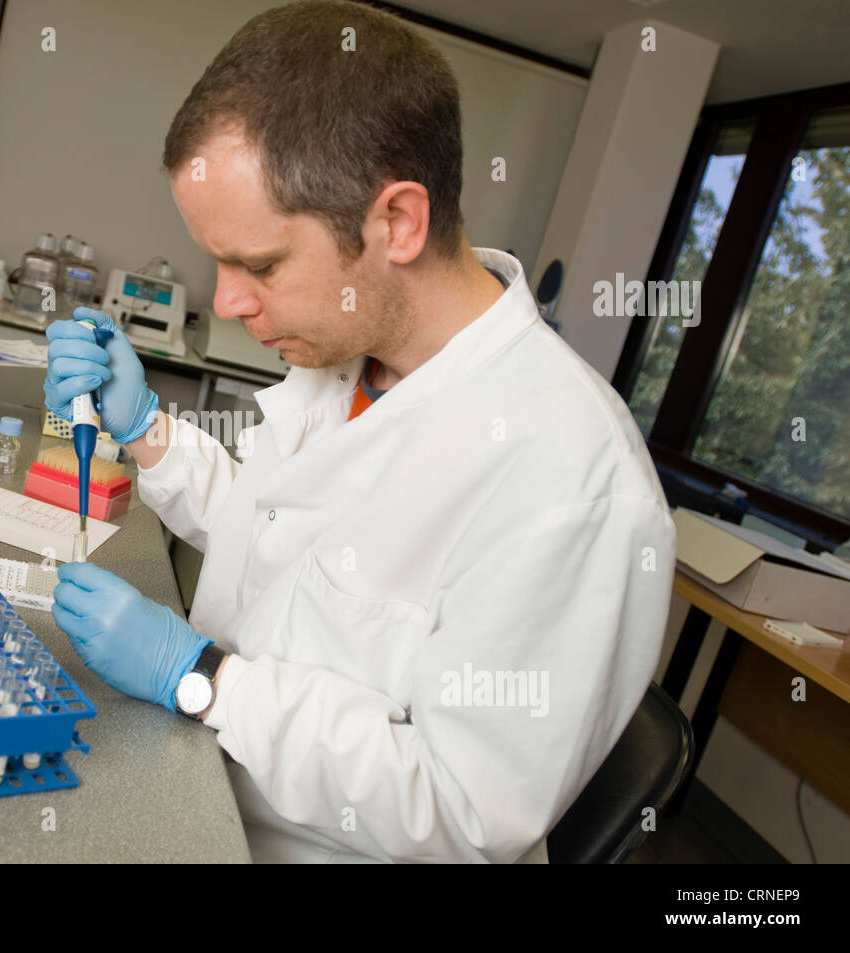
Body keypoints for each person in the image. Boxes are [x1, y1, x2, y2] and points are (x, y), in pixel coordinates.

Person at [44, 0, 675, 863]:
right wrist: (149, 428)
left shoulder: (570, 479)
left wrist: (201, 677)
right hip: (196, 787)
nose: (225, 300)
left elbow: (460, 812)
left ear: (398, 223)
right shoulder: (353, 352)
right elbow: (285, 542)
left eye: (258, 264)